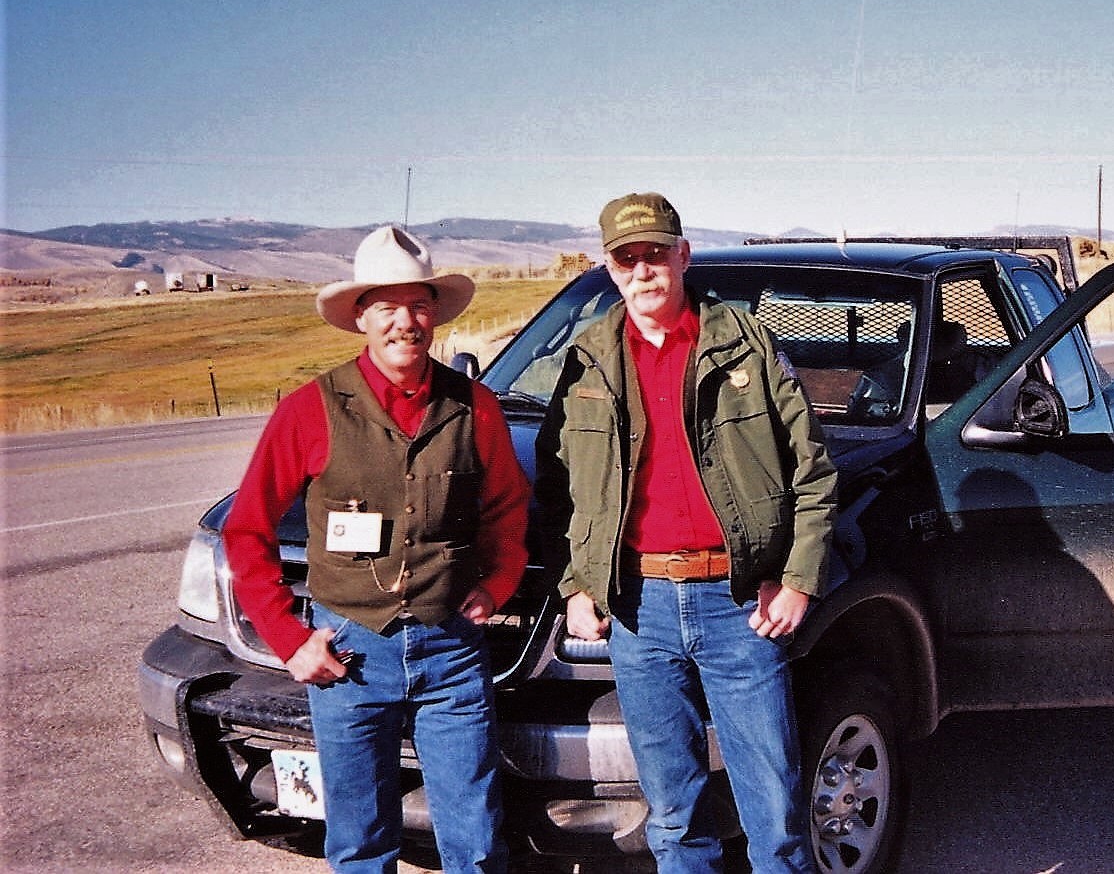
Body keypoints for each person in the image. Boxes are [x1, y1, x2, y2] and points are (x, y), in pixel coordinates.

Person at [535, 193, 837, 873]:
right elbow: (556, 489)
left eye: (655, 254)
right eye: (626, 258)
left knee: (776, 808)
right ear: (609, 267)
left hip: (741, 607)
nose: (643, 271)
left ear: (683, 256)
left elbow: (814, 471)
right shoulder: (586, 361)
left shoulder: (746, 345)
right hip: (640, 610)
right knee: (672, 813)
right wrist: (577, 584)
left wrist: (797, 580)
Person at [224, 224, 530, 873]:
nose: (405, 322)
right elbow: (245, 529)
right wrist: (288, 636)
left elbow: (508, 505)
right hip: (348, 654)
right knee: (361, 842)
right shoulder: (310, 410)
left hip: (452, 656)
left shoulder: (474, 407)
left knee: (474, 843)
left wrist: (497, 580)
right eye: (387, 306)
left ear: (434, 313)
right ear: (361, 315)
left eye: (418, 304)